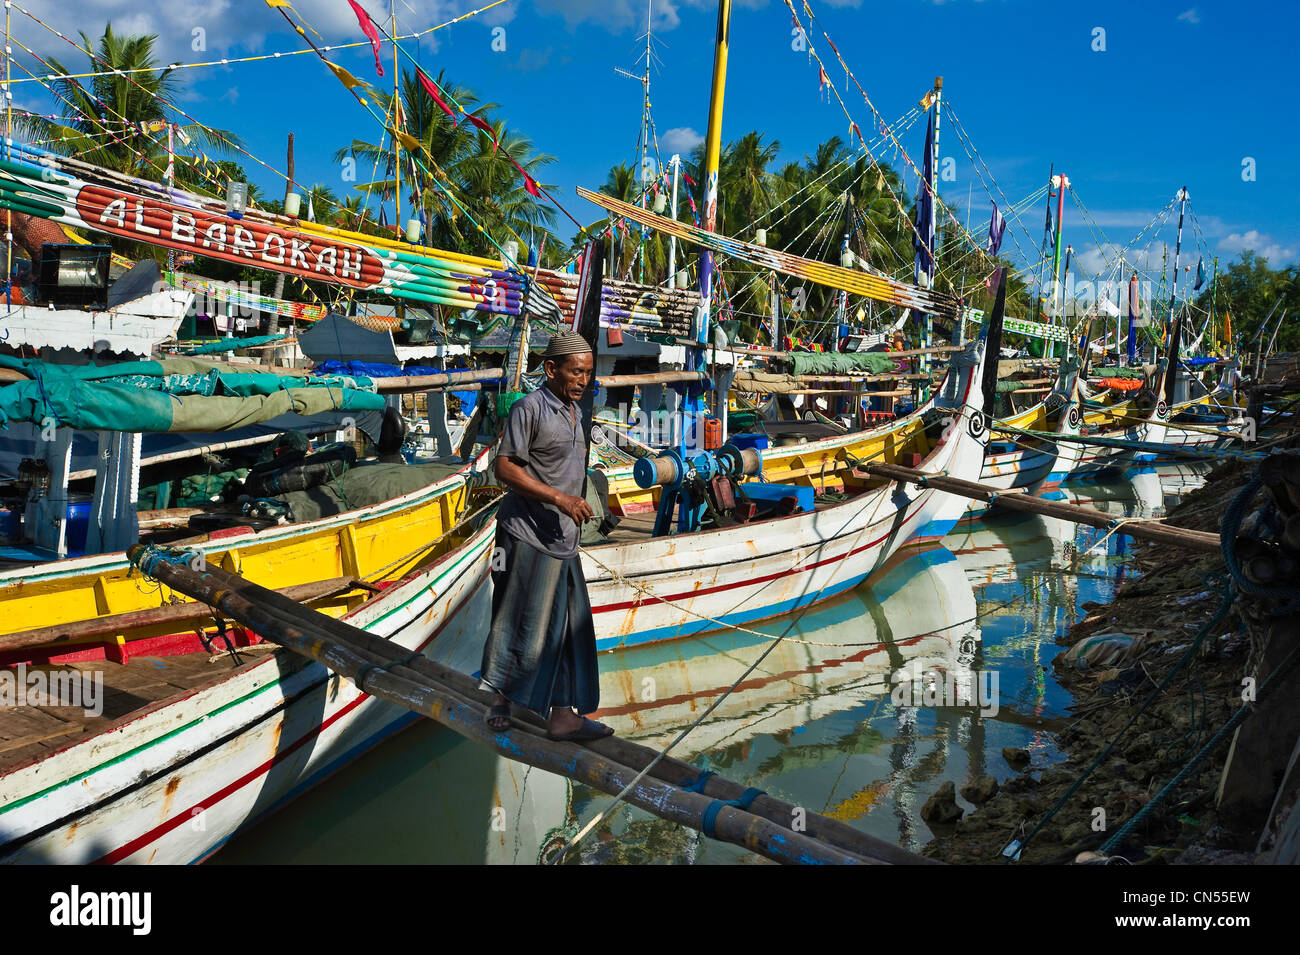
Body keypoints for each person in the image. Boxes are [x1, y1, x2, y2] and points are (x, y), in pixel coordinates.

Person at [479, 331, 614, 742]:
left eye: (589, 373)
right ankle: (499, 698)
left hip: (562, 540)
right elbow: (504, 468)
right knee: (514, 618)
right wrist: (559, 498)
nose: (583, 380)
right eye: (576, 372)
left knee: (566, 626)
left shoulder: (576, 411)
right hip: (525, 535)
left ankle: (561, 714)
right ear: (552, 369)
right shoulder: (529, 409)